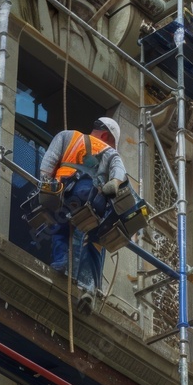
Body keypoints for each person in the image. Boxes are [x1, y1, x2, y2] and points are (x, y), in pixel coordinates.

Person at [39, 117, 128, 313]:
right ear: (105, 135)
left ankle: (62, 263)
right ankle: (87, 286)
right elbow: (119, 172)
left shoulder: (67, 136)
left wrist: (46, 186)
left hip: (62, 194)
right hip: (89, 197)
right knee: (89, 237)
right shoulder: (109, 152)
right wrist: (113, 182)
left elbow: (48, 161)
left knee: (59, 229)